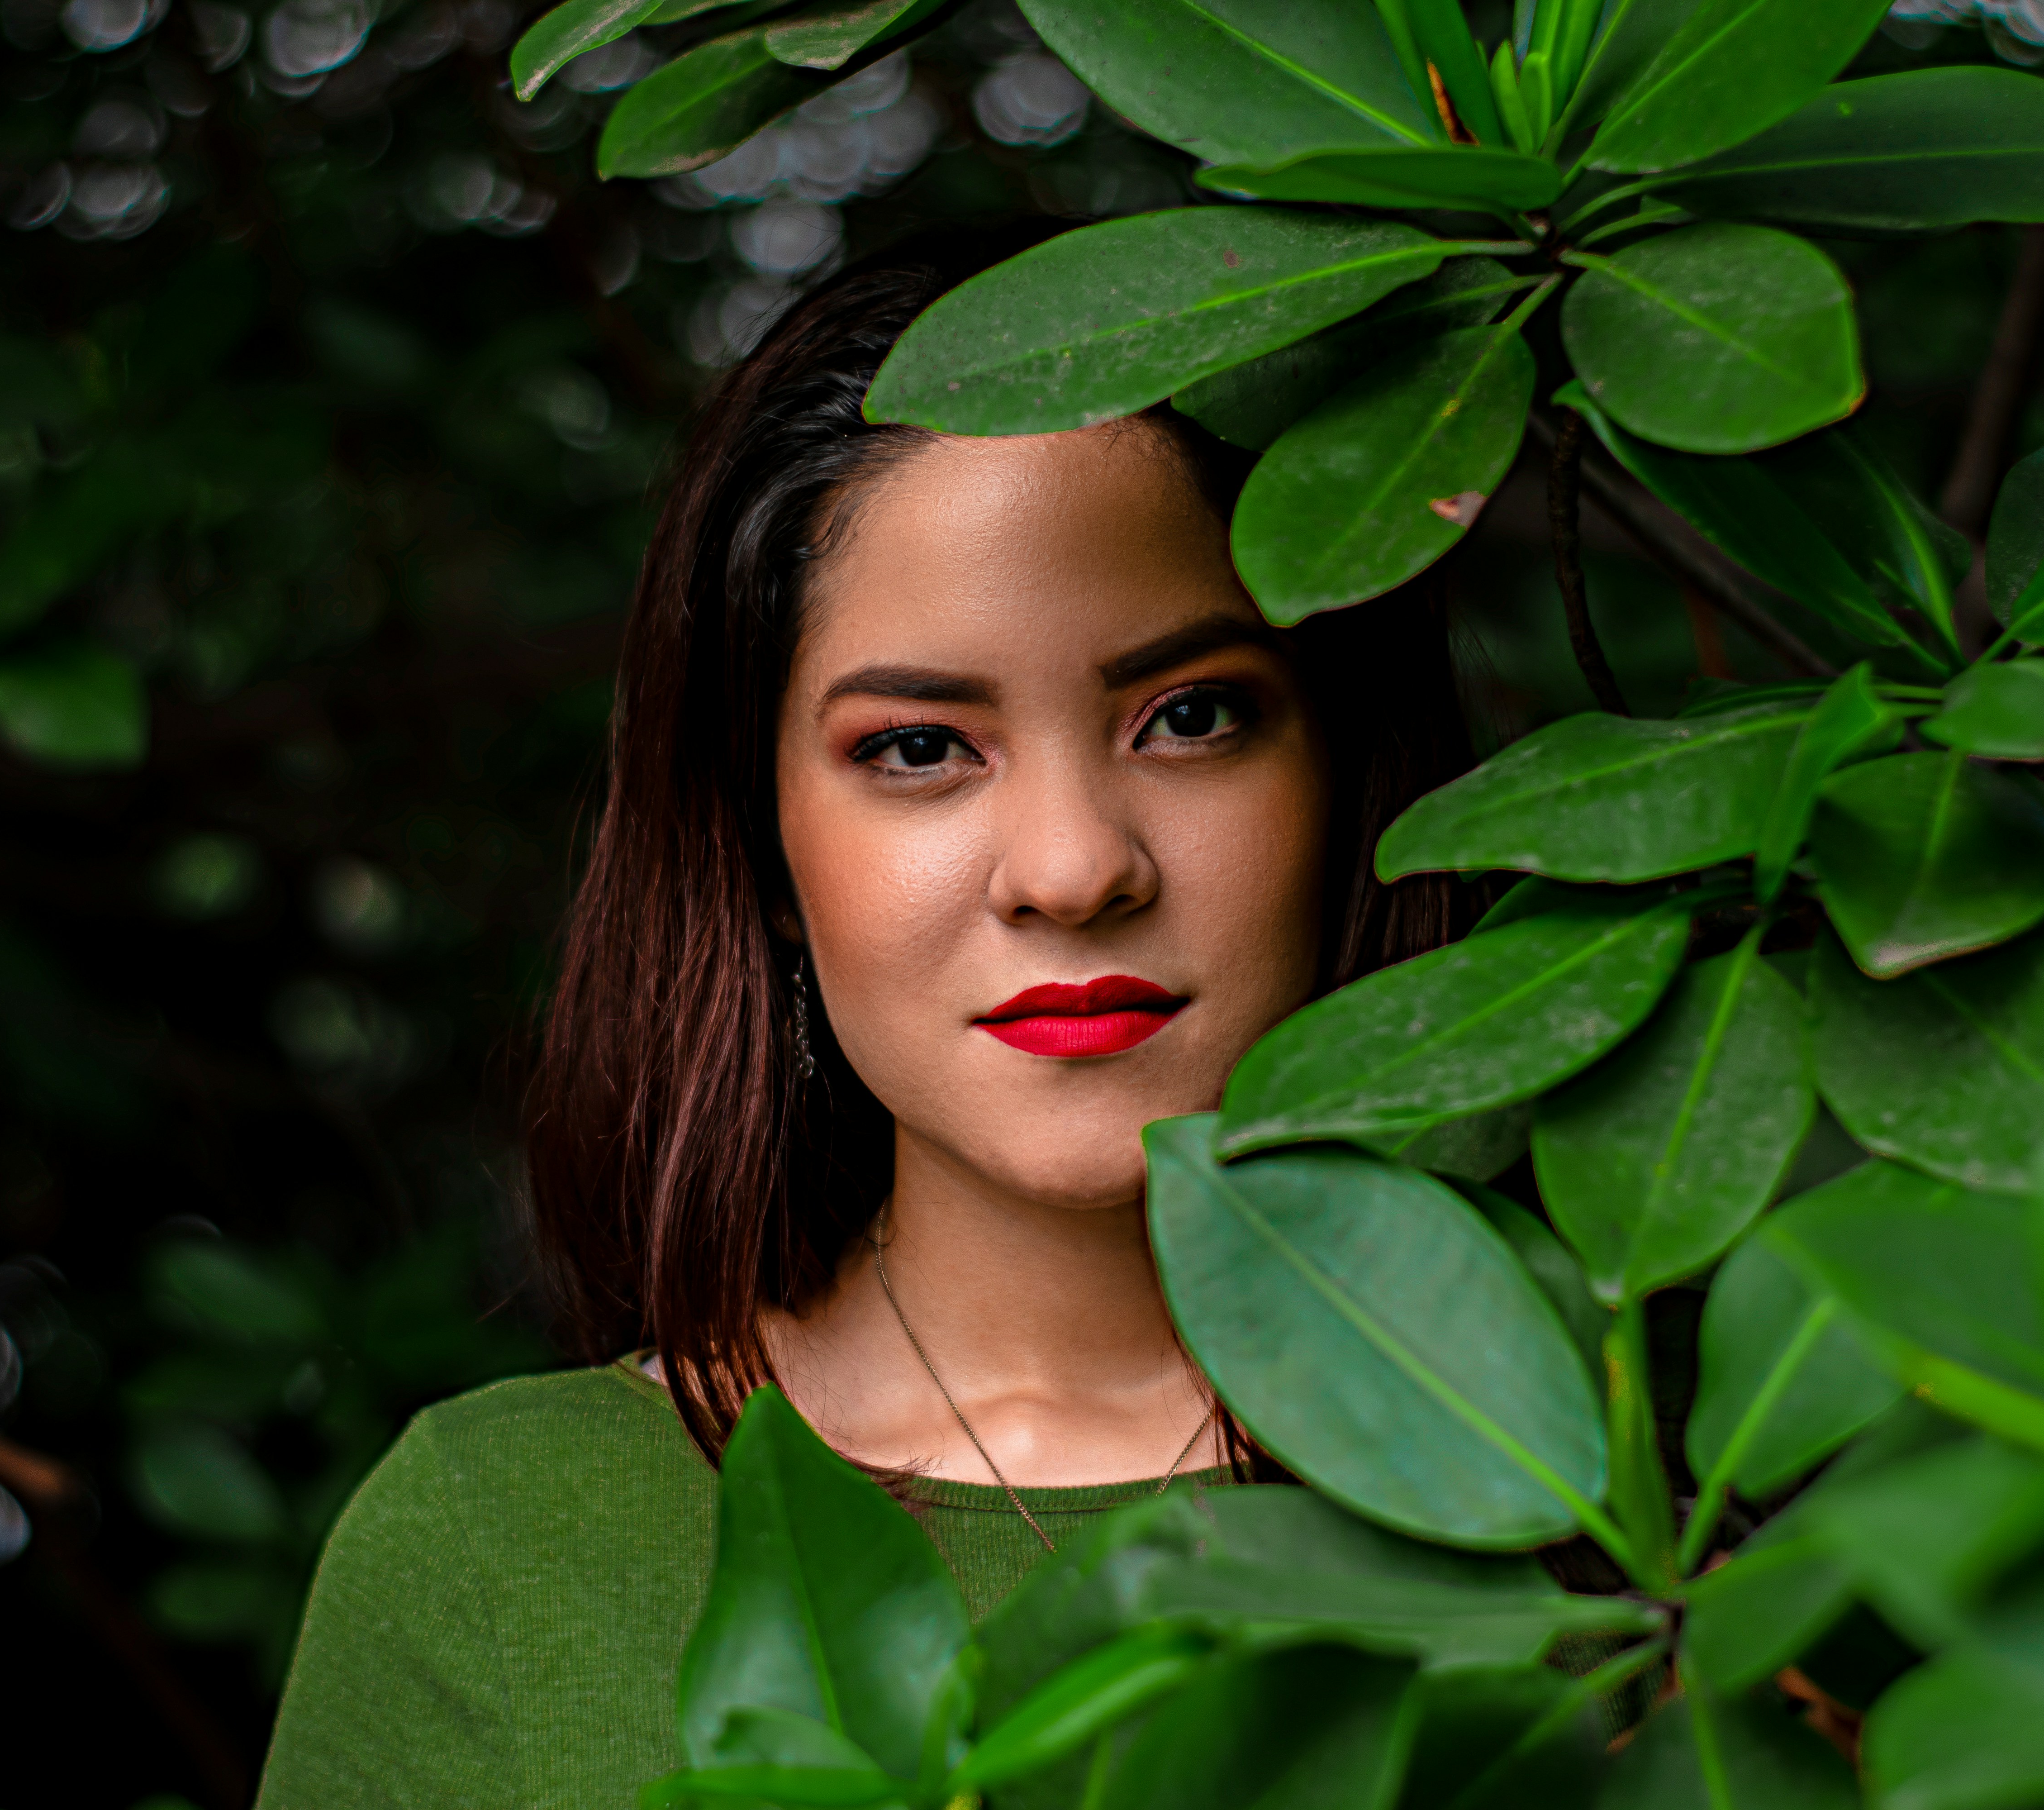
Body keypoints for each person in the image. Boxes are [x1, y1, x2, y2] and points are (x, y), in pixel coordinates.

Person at [254, 235, 1472, 1809]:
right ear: (762, 848)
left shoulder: (1672, 1489)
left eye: (1191, 716)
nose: (1074, 866)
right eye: (917, 750)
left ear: (1348, 774)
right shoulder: (499, 1546)